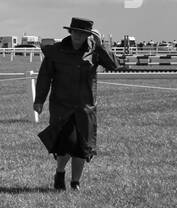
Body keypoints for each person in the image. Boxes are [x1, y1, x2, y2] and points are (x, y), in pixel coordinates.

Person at [35, 16, 118, 191]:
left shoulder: (94, 51)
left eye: (83, 34)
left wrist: (101, 44)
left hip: (85, 108)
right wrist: (39, 100)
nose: (78, 37)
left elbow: (113, 64)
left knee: (82, 147)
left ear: (88, 35)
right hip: (62, 106)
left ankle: (75, 183)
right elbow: (44, 77)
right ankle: (59, 172)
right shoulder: (56, 51)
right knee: (66, 144)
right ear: (70, 32)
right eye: (76, 33)